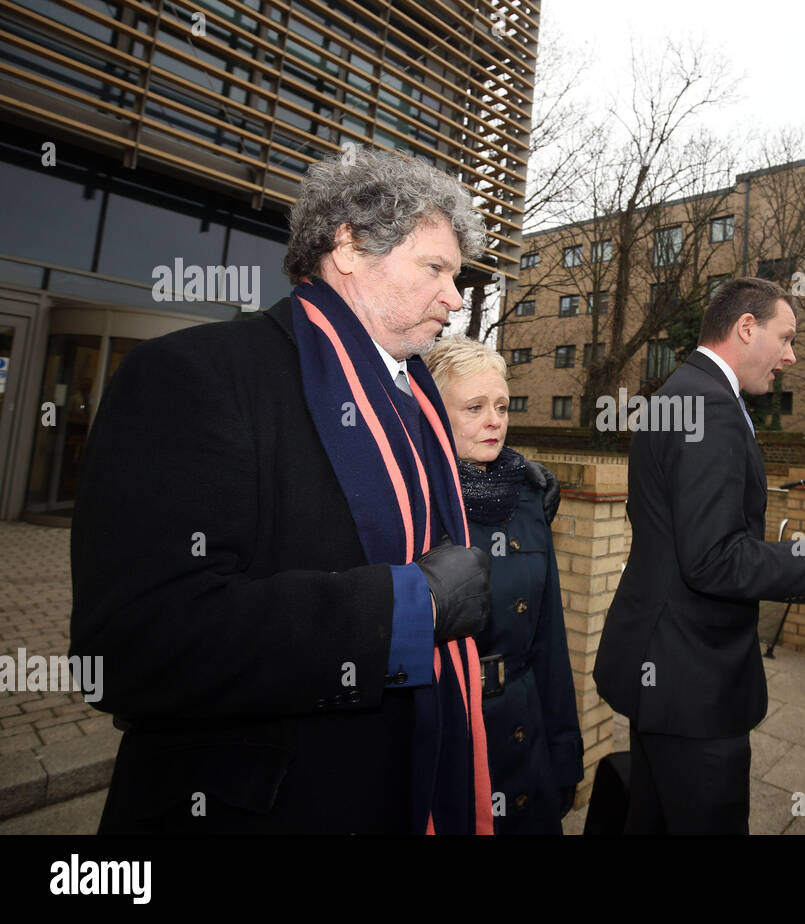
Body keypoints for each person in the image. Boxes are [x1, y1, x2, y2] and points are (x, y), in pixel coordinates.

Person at [70, 148, 496, 834]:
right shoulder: (194, 376)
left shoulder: (417, 401)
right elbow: (130, 648)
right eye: (436, 268)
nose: (454, 295)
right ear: (351, 247)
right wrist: (406, 609)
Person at [594, 276, 805, 834]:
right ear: (746, 327)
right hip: (692, 683)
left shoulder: (681, 392)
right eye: (787, 336)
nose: (791, 356)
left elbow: (696, 540)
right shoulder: (710, 406)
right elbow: (714, 560)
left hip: (666, 671)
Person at [426, 336, 583, 834]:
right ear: (431, 413)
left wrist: (563, 756)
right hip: (448, 733)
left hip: (522, 729)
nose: (495, 419)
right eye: (474, 407)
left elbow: (550, 640)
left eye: (501, 405)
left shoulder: (528, 495)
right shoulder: (412, 500)